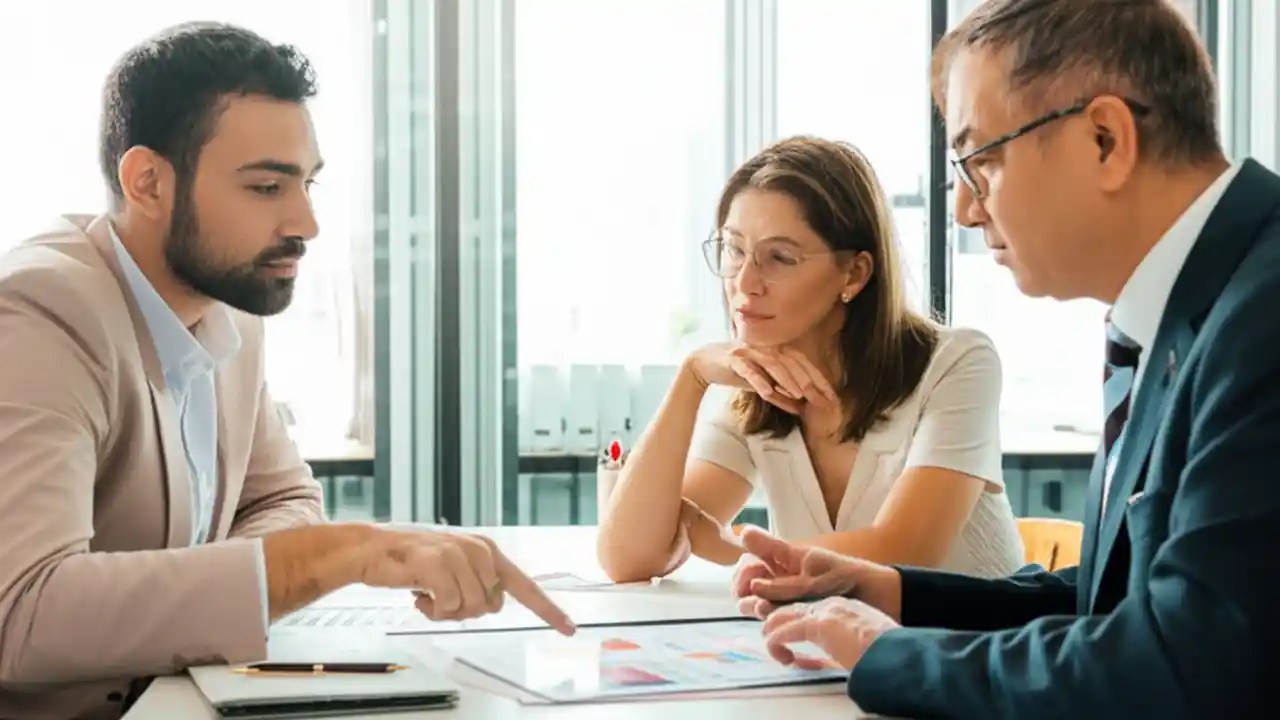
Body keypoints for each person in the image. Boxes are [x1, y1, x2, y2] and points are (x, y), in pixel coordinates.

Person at [0, 23, 571, 720]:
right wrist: (336, 557)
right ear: (147, 181)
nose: (305, 221)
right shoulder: (38, 313)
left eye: (307, 183)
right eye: (267, 186)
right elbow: (20, 615)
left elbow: (281, 500)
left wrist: (257, 577)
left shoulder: (225, 309)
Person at [733, 1, 1280, 717]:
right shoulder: (1199, 308)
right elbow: (1117, 603)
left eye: (980, 161)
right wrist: (894, 591)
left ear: (1104, 139)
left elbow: (1189, 660)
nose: (963, 207)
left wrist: (891, 655)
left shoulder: (1260, 321)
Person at [597, 136, 1023, 584]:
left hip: (969, 648)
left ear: (854, 274)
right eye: (734, 250)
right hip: (837, 648)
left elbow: (906, 550)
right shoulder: (754, 392)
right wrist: (693, 376)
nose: (745, 283)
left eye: (779, 258)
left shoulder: (956, 363)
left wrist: (736, 551)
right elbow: (630, 559)